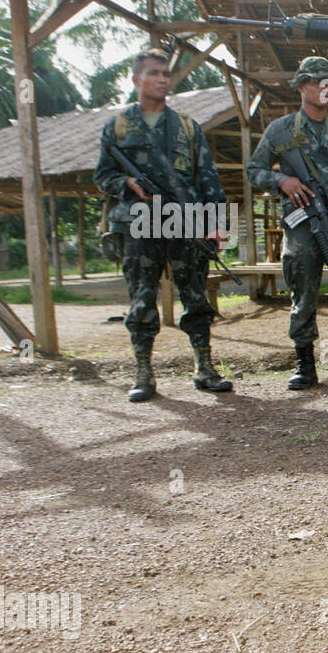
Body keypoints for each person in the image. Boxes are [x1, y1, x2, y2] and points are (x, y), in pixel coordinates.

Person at [93, 47, 233, 402]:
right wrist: (126, 184)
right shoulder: (118, 127)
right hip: (138, 221)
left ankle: (205, 368)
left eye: (166, 74)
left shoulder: (187, 126)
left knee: (196, 296)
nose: (162, 80)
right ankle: (144, 374)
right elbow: (102, 176)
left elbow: (208, 178)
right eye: (154, 73)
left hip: (184, 219)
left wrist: (214, 224)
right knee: (141, 299)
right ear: (137, 79)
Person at [247, 56, 328, 389]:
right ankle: (305, 366)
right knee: (303, 293)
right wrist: (283, 182)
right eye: (317, 81)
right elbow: (254, 171)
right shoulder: (280, 130)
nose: (324, 88)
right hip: (303, 225)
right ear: (301, 86)